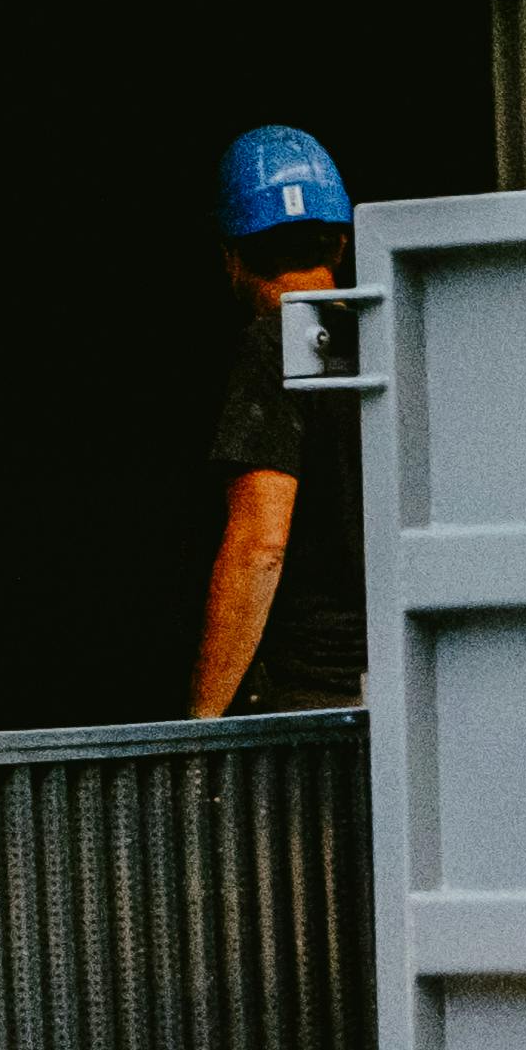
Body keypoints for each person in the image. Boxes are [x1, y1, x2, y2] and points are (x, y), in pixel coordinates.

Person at [188, 126, 366, 718]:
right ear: (339, 246)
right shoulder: (392, 342)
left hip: (305, 706)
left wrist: (201, 728)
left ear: (231, 259)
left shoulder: (276, 345)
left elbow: (260, 544)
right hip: (399, 680)